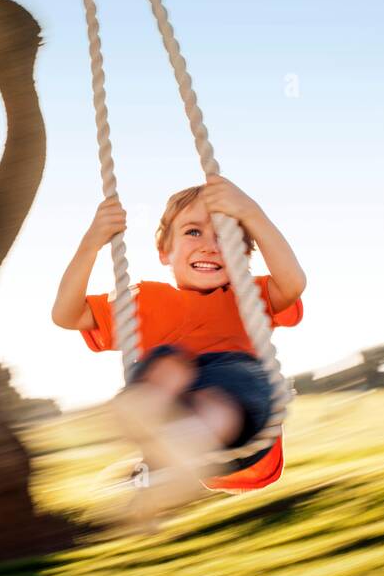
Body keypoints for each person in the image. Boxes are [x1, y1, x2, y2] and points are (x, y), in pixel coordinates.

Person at [51, 177, 307, 517]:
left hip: (240, 403)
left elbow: (293, 282)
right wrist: (91, 243)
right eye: (193, 232)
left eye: (224, 236)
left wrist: (250, 212)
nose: (209, 246)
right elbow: (66, 314)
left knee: (220, 390)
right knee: (165, 362)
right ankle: (166, 455)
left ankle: (186, 444)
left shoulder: (249, 294)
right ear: (164, 252)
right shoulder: (142, 300)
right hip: (174, 399)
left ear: (244, 256)